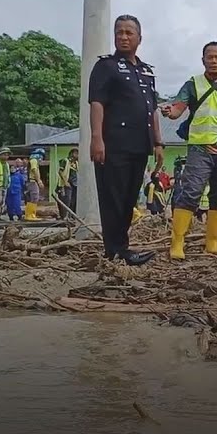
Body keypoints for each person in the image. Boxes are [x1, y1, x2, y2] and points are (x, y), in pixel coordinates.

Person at [87, 14, 164, 266]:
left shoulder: (146, 71)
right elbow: (96, 103)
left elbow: (152, 109)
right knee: (113, 197)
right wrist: (96, 138)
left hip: (140, 145)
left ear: (139, 38)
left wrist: (158, 143)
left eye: (129, 32)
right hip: (114, 144)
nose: (123, 36)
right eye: (119, 32)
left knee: (130, 197)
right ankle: (115, 251)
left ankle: (121, 247)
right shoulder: (106, 67)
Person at [161, 40, 217, 260]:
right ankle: (177, 242)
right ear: (203, 60)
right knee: (191, 193)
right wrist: (171, 112)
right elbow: (178, 107)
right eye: (210, 57)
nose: (214, 60)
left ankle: (213, 242)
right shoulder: (193, 84)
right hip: (200, 149)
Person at [23, 148, 46, 220]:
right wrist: (39, 181)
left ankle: (29, 215)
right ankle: (31, 215)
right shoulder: (34, 161)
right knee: (34, 197)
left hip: (31, 181)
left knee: (31, 198)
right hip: (32, 181)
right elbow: (34, 170)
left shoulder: (33, 161)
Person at [57, 148, 79, 218]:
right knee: (67, 201)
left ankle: (72, 216)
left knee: (74, 201)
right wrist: (65, 182)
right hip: (66, 184)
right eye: (76, 153)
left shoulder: (76, 163)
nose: (78, 155)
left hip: (75, 184)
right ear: (72, 154)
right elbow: (60, 171)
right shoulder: (65, 161)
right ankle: (65, 217)